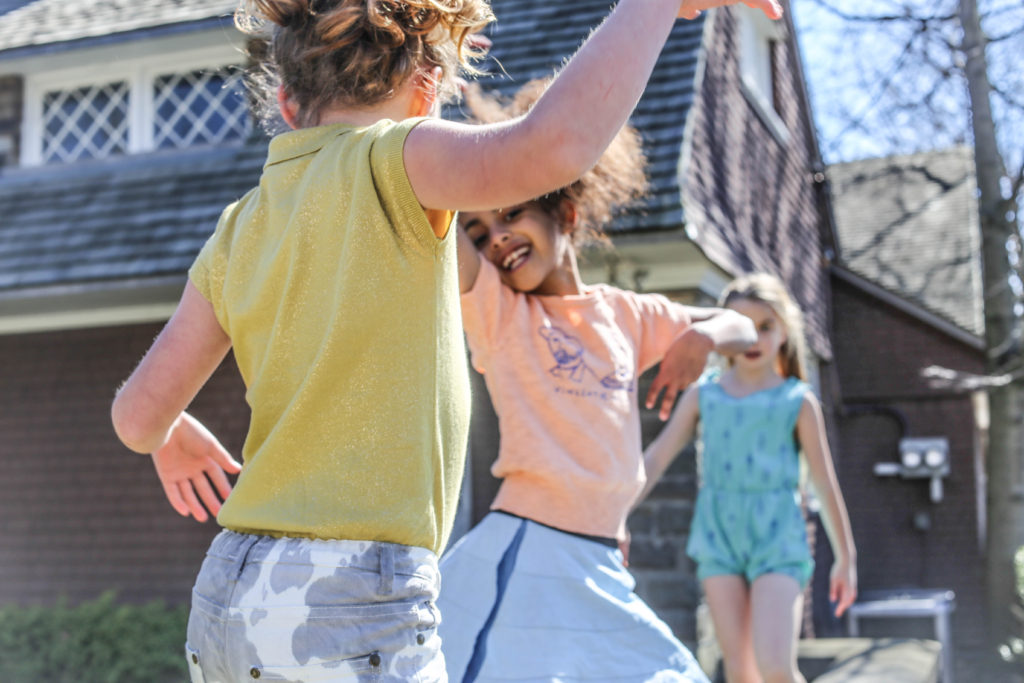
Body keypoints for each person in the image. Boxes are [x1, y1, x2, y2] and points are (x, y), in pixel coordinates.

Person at [110, 0, 781, 680]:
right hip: (350, 600)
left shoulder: (239, 224)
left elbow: (136, 416)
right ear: (426, 94)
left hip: (228, 594)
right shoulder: (396, 160)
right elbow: (552, 147)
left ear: (286, 102)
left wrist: (169, 435)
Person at [435, 77, 760, 682]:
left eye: (510, 213)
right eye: (480, 232)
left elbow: (743, 325)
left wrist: (704, 336)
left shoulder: (629, 315)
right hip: (527, 546)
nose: (497, 237)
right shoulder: (501, 315)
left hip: (599, 556)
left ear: (565, 210)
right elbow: (434, 225)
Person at [642, 273, 858, 683]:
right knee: (740, 674)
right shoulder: (703, 395)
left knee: (774, 666)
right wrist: (611, 513)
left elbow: (824, 483)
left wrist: (846, 557)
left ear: (784, 331)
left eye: (765, 326)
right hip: (719, 536)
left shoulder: (797, 400)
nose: (754, 338)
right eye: (743, 326)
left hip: (777, 539)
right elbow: (655, 458)